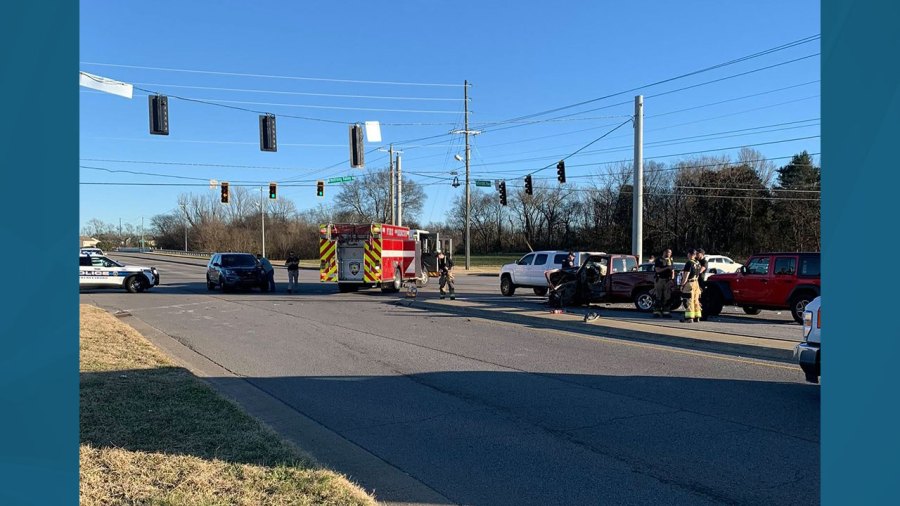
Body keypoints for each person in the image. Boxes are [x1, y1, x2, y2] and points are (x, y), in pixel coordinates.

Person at [680, 249, 703, 323]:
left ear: (690, 254)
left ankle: (689, 318)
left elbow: (686, 276)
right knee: (696, 300)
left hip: (689, 283)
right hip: (696, 283)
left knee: (688, 300)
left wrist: (682, 285)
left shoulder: (689, 263)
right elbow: (698, 275)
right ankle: (697, 316)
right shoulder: (698, 263)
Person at [653, 249, 675, 317]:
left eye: (670, 253)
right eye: (668, 252)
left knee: (667, 296)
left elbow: (672, 269)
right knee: (658, 296)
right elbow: (657, 270)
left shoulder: (670, 260)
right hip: (660, 279)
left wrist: (672, 278)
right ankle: (657, 312)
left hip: (668, 280)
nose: (669, 254)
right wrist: (667, 268)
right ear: (664, 252)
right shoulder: (659, 260)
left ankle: (666, 312)